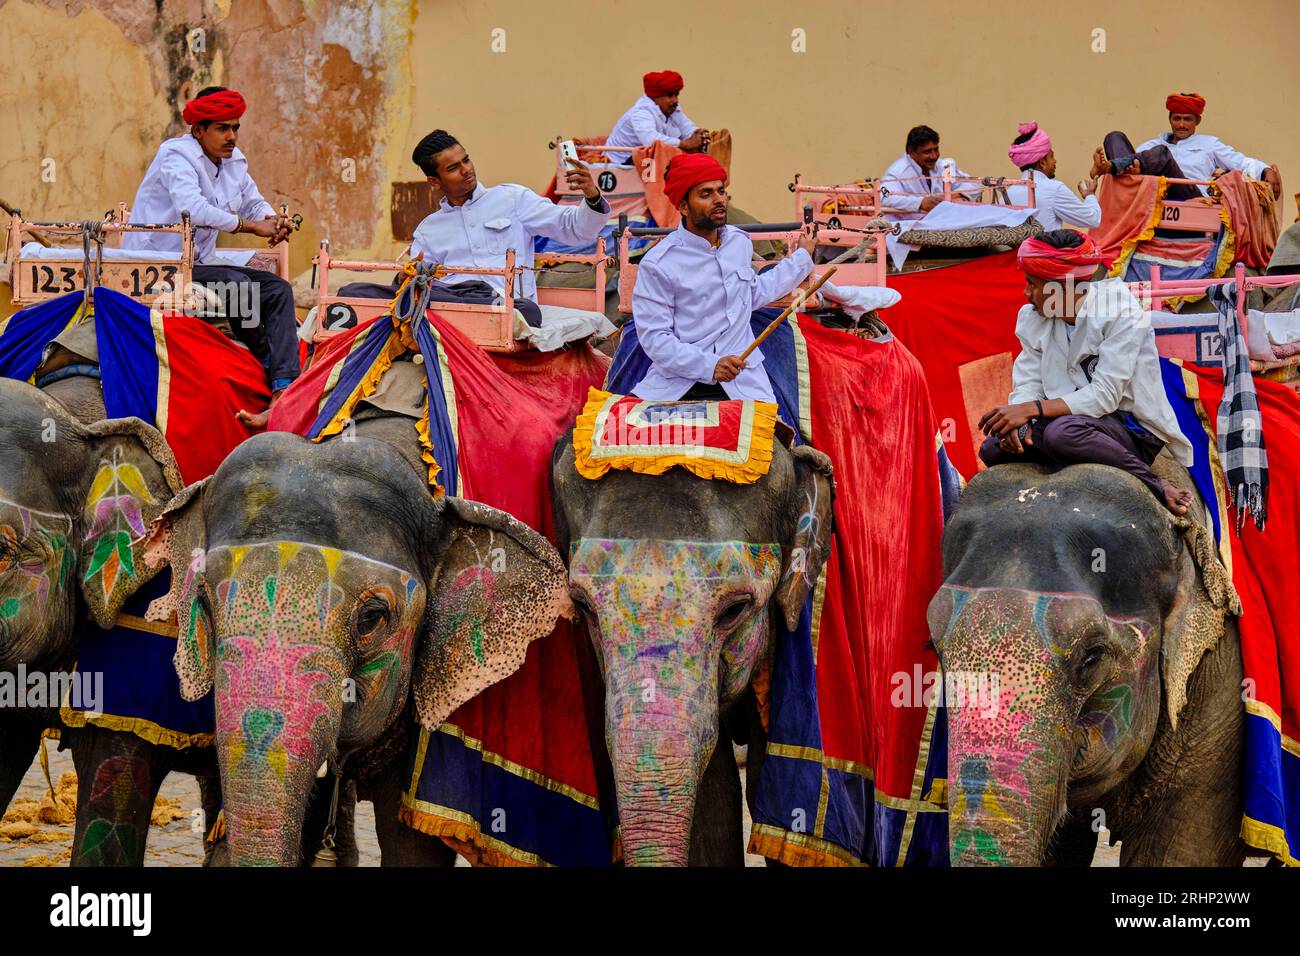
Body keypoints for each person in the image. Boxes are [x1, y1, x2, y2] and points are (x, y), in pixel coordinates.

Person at [978, 229, 1195, 515]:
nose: (1026, 293)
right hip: (1066, 423)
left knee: (1062, 435)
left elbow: (1104, 397)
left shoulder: (1120, 312)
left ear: (1063, 287)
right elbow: (1029, 380)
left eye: (1033, 284)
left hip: (1126, 427)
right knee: (992, 448)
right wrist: (1018, 425)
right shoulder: (1032, 317)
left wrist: (1031, 409)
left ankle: (1156, 483)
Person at [124, 86, 298, 427]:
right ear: (198, 130)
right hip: (162, 265)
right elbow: (194, 208)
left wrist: (271, 219)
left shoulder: (233, 161)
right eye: (222, 128)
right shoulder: (176, 156)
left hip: (197, 263)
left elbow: (251, 199)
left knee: (278, 290)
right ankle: (265, 359)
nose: (231, 136)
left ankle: (283, 388)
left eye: (235, 127)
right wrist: (251, 227)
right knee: (238, 286)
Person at [630, 154, 815, 402]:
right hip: (679, 384)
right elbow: (655, 339)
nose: (719, 200)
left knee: (773, 440)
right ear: (683, 206)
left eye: (721, 191)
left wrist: (803, 256)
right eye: (706, 194)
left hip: (744, 383)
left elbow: (752, 293)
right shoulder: (658, 264)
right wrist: (710, 366)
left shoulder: (739, 242)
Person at [408, 129, 609, 304]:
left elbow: (576, 229)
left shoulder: (512, 199)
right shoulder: (428, 231)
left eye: (466, 160)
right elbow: (419, 283)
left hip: (513, 310)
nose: (466, 170)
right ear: (434, 182)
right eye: (453, 168)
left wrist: (591, 194)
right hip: (457, 317)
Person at [1092, 93, 1282, 200]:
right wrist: (1137, 168)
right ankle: (1127, 172)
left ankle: (1111, 167)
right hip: (1146, 195)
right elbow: (1141, 157)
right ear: (1170, 119)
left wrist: (1266, 170)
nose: (1181, 125)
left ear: (1197, 121)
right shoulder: (1153, 144)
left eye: (1187, 119)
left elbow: (1240, 162)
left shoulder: (1209, 144)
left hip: (1187, 196)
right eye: (1177, 119)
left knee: (1162, 155)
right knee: (1114, 137)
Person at [1004, 122, 1102, 231]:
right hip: (1043, 248)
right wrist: (1090, 195)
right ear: (1042, 162)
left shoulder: (1007, 194)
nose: (1055, 161)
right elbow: (1093, 219)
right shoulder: (1054, 189)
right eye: (1051, 156)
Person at [879, 125, 979, 222]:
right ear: (911, 151)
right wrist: (920, 203)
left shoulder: (942, 165)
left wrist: (954, 195)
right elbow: (885, 198)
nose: (934, 156)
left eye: (936, 149)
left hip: (942, 221)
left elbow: (973, 184)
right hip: (912, 226)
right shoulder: (897, 172)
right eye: (927, 152)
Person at [606, 70, 708, 153]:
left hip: (646, 160)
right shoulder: (641, 112)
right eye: (670, 95)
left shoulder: (672, 108)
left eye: (676, 95)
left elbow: (686, 127)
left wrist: (700, 137)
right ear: (655, 97)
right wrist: (685, 144)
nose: (675, 100)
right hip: (621, 163)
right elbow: (651, 140)